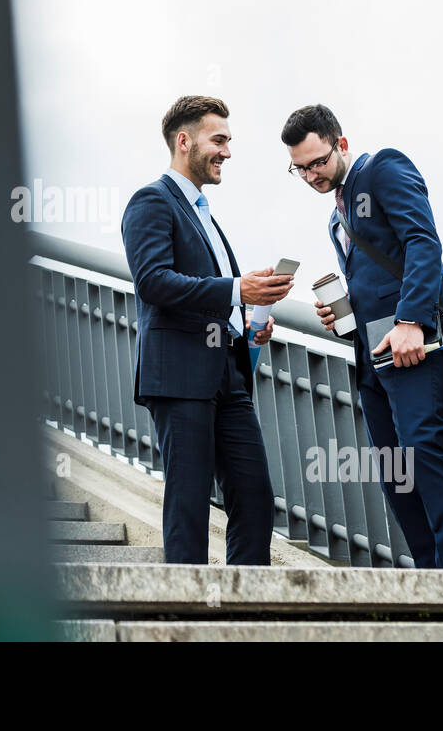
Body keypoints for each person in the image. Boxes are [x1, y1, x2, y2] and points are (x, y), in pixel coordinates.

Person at [281, 103, 443, 569]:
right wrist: (341, 314)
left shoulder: (383, 167)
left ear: (341, 144)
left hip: (412, 342)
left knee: (423, 451)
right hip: (369, 352)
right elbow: (373, 279)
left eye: (318, 162)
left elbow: (423, 241)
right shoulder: (335, 217)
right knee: (397, 471)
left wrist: (411, 320)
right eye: (300, 169)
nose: (311, 175)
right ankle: (433, 579)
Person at [121, 96, 292, 565]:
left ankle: (246, 614)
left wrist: (247, 323)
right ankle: (187, 616)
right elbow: (153, 281)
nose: (227, 152)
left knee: (255, 498)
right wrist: (239, 289)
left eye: (229, 141)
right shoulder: (152, 200)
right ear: (183, 141)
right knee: (190, 498)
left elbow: (211, 292)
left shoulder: (204, 214)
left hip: (227, 376)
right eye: (218, 140)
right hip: (179, 376)